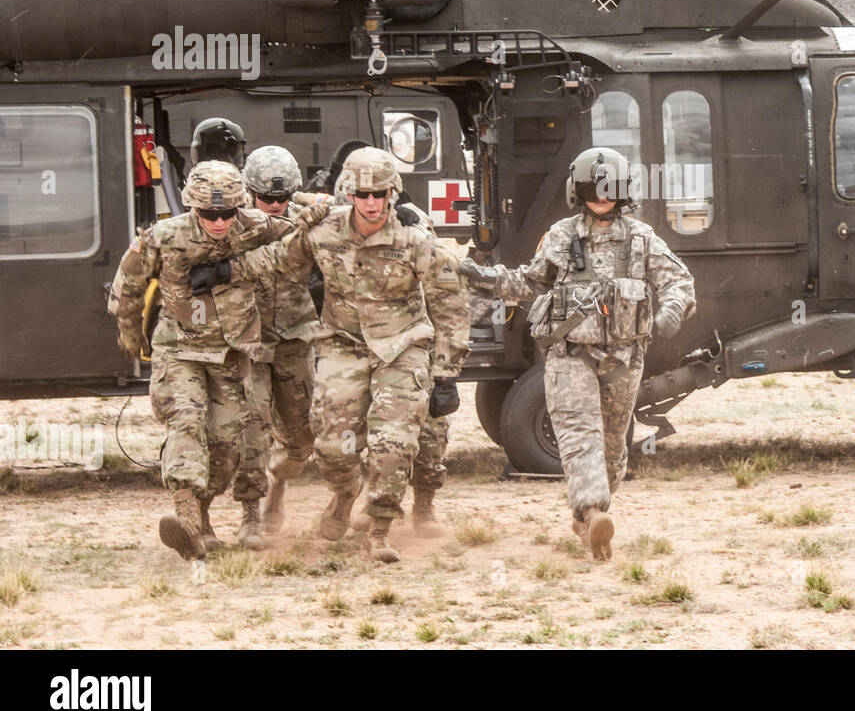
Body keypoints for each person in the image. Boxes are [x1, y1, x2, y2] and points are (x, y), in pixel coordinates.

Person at [199, 147, 470, 563]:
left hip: (402, 349)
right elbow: (276, 257)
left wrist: (447, 373)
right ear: (349, 194)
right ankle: (344, 495)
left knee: (393, 443)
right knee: (333, 448)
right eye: (363, 194)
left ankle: (380, 529)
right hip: (344, 349)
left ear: (393, 193)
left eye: (381, 193)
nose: (372, 203)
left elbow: (451, 304)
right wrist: (225, 271)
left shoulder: (414, 238)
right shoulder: (324, 230)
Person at [459, 147, 696, 561]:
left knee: (612, 452)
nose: (600, 196)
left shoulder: (641, 239)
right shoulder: (561, 237)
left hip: (623, 359)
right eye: (591, 188)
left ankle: (589, 514)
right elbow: (527, 282)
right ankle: (591, 512)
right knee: (578, 435)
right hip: (569, 355)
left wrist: (671, 311)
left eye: (609, 189)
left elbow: (679, 282)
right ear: (577, 191)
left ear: (623, 193)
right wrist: (485, 279)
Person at [107, 161, 309, 562]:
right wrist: (131, 336)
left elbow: (302, 239)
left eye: (226, 213)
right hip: (180, 350)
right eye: (209, 214)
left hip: (230, 354)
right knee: (186, 419)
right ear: (191, 207)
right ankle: (186, 517)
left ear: (239, 206)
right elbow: (126, 287)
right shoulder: (164, 237)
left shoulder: (255, 226)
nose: (218, 221)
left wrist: (324, 207)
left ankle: (200, 512)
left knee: (227, 444)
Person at [230, 145, 320, 545]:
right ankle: (251, 514)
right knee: (252, 430)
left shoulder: (308, 223)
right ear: (250, 193)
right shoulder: (229, 225)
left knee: (302, 439)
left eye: (283, 197)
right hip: (248, 344)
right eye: (266, 198)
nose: (275, 205)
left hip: (295, 341)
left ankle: (279, 484)